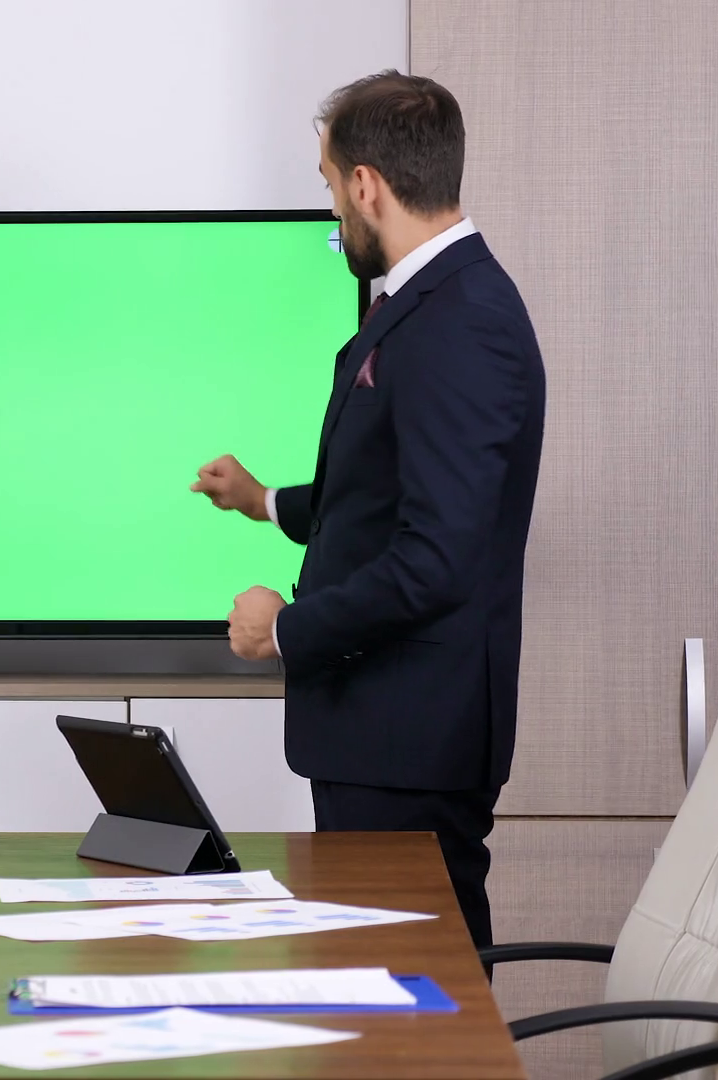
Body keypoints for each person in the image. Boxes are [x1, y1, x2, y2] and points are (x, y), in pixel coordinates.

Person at [191, 71, 545, 949]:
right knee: (375, 1001)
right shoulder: (432, 305)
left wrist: (284, 630)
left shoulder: (461, 320)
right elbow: (388, 493)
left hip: (412, 744)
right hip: (382, 736)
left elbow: (436, 558)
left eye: (327, 183)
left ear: (365, 184)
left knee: (419, 1009)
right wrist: (265, 501)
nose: (333, 216)